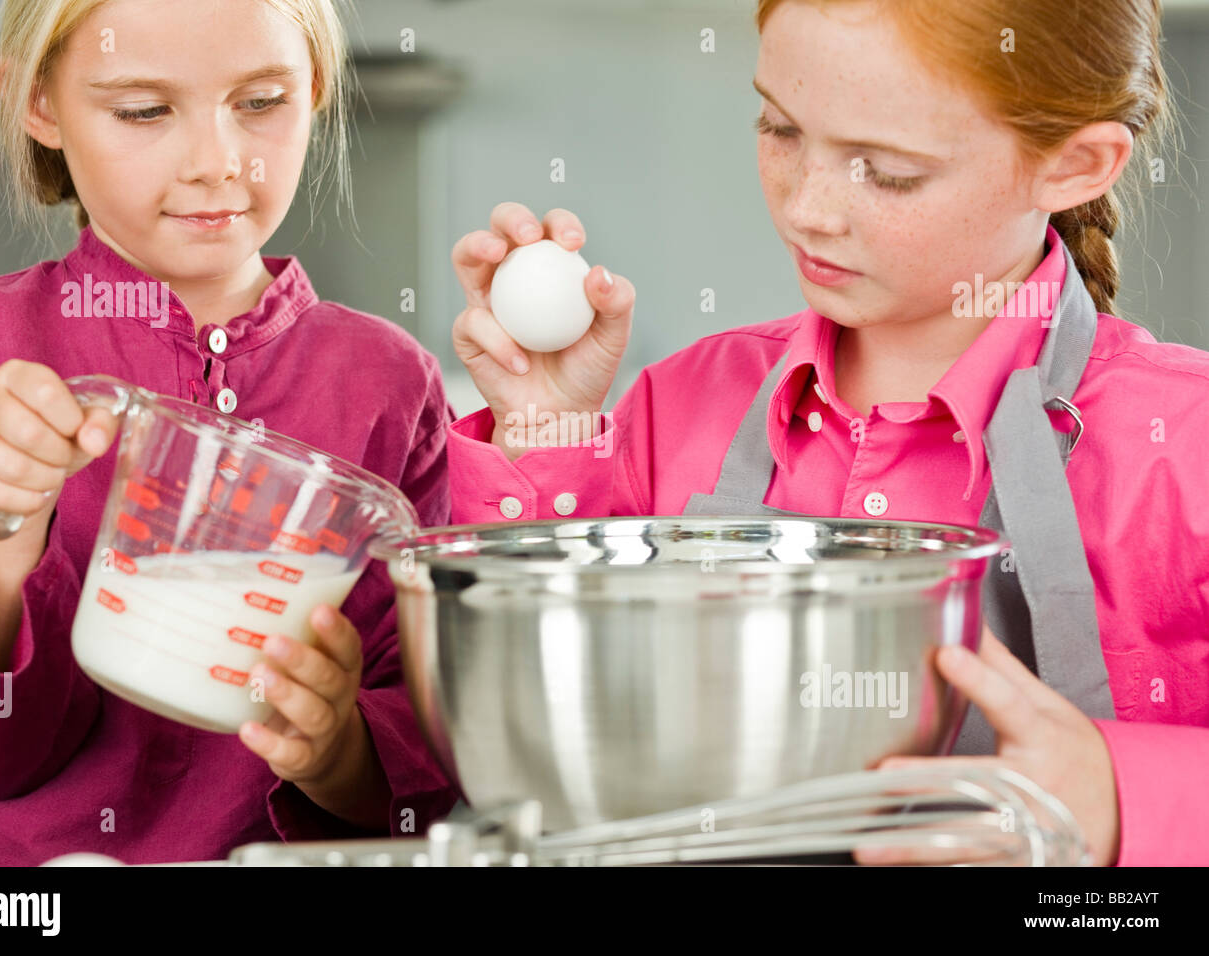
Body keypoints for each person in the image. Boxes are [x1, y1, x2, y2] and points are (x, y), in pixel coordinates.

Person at [445, 0, 1206, 865]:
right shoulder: (679, 404)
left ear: (1076, 165)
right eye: (779, 127)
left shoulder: (1186, 446)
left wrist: (1122, 799)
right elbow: (539, 736)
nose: (809, 209)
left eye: (886, 171)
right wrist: (547, 432)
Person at [0, 0, 457, 865]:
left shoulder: (388, 382)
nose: (217, 163)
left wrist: (339, 750)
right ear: (40, 105)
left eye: (261, 101)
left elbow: (429, 776)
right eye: (143, 111)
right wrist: (0, 542)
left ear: (314, 88)